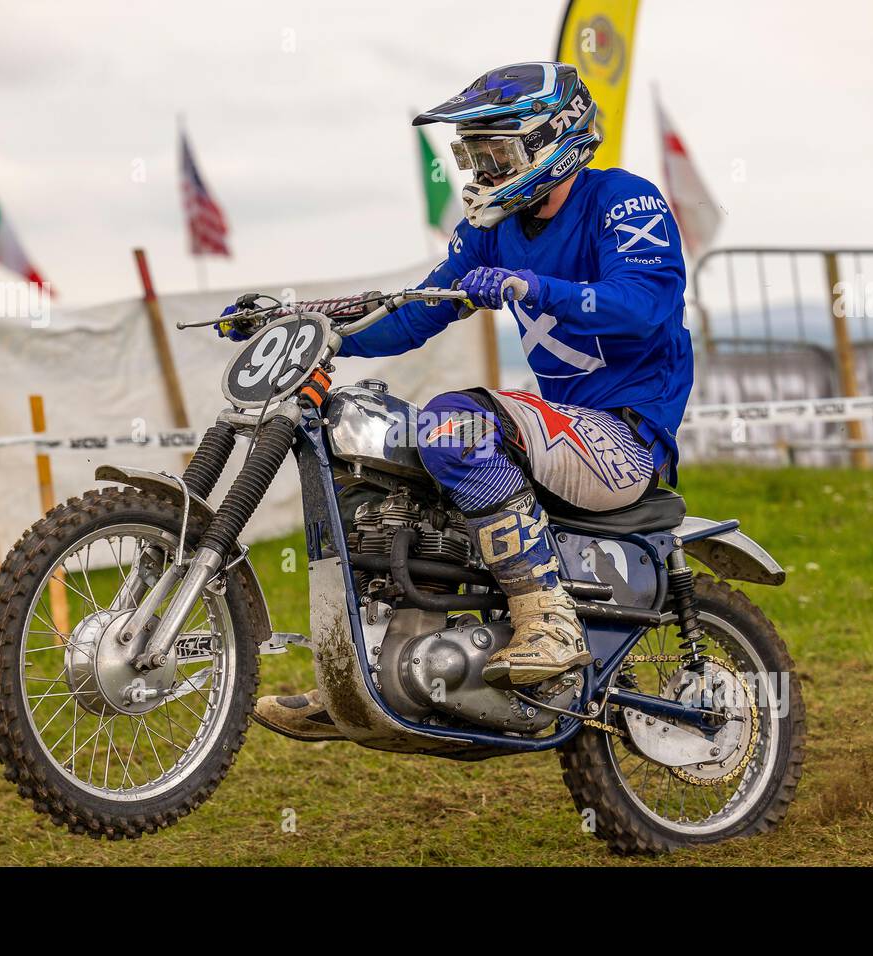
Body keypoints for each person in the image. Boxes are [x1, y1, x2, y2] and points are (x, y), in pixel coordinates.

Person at [237, 61, 694, 741]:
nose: (482, 171)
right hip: (561, 434)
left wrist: (530, 288)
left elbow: (645, 306)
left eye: (496, 153)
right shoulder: (490, 229)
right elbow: (417, 311)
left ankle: (548, 620)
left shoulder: (624, 200)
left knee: (454, 421)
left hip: (625, 436)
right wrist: (312, 324)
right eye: (473, 156)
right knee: (368, 454)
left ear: (553, 139)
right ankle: (364, 670)